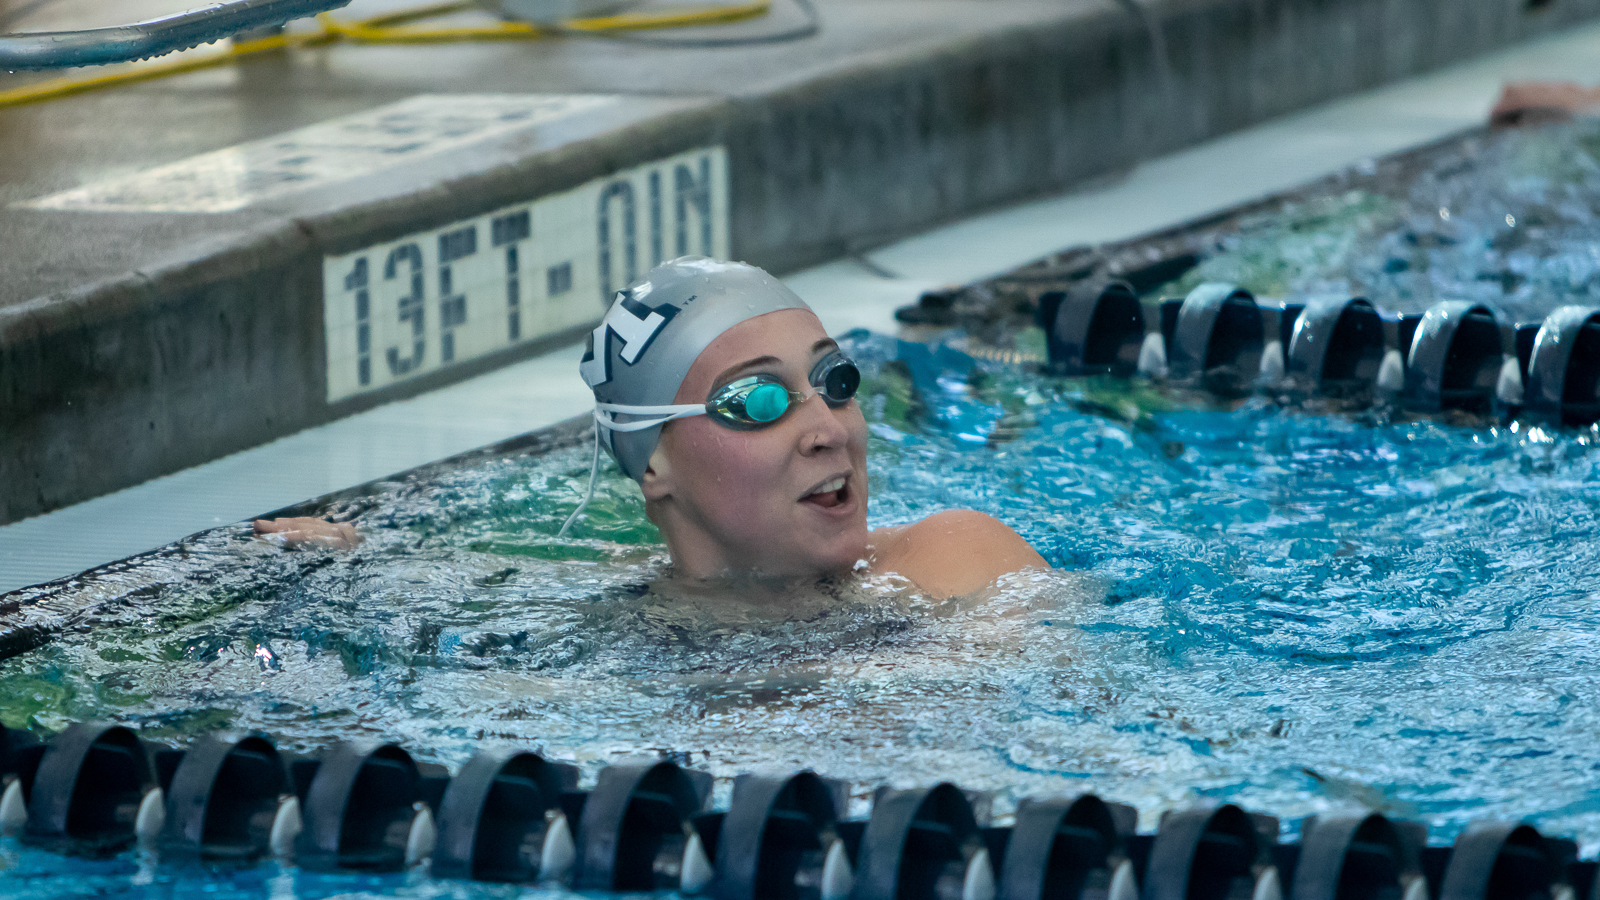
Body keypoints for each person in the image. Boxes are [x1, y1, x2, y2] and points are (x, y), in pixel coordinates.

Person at [257, 257, 1045, 597]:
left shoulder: (959, 558)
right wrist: (361, 557)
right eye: (758, 401)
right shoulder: (619, 611)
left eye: (834, 382)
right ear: (653, 465)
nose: (828, 428)